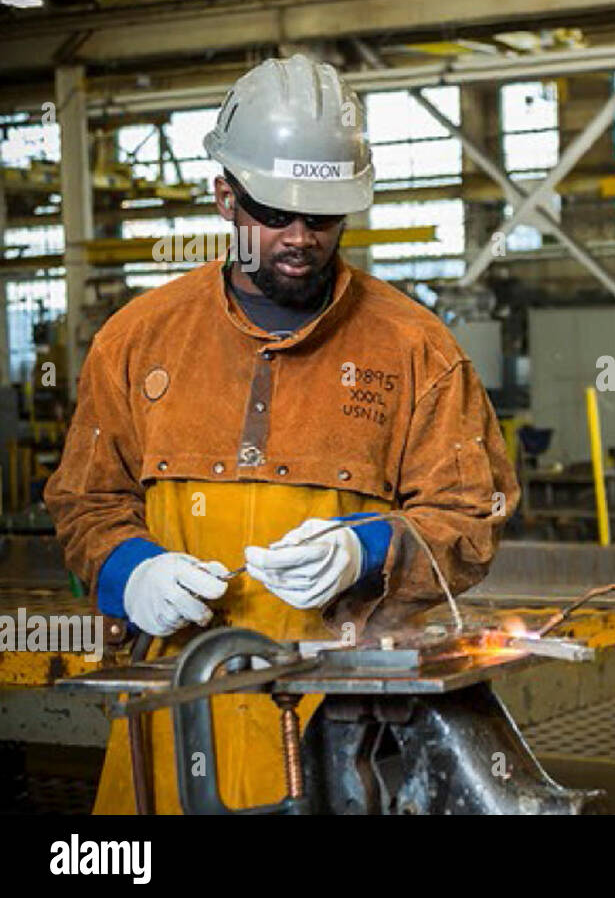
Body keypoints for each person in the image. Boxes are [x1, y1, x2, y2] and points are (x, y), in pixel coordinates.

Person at [45, 54, 519, 814]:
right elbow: (85, 501)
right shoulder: (137, 340)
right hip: (175, 715)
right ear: (225, 199)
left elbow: (470, 514)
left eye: (324, 217)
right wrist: (130, 571)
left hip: (341, 726)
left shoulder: (415, 347)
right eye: (274, 215)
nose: (300, 238)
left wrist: (364, 551)